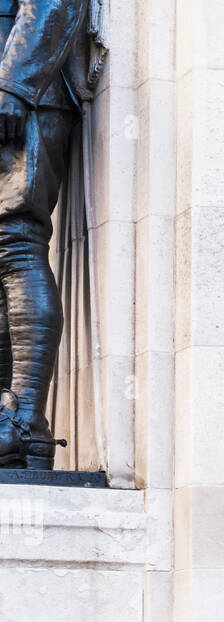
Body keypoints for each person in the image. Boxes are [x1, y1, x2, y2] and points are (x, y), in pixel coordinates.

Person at [0, 0, 87, 468]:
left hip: (24, 92)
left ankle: (25, 419)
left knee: (16, 241)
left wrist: (12, 82)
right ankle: (12, 424)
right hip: (16, 88)